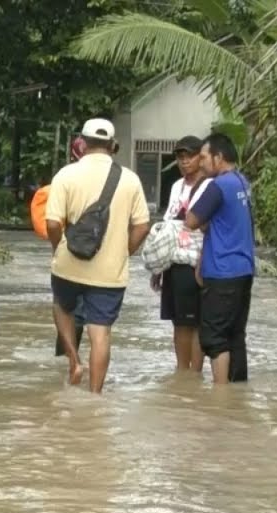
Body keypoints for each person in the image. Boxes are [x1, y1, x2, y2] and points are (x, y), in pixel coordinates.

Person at [44, 118, 151, 393]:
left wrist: (59, 249)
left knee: (61, 306)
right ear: (113, 145)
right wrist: (123, 252)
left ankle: (74, 360)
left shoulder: (65, 176)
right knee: (100, 332)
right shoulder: (130, 179)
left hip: (69, 266)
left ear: (82, 142)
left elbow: (53, 224)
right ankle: (95, 395)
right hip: (109, 273)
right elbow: (142, 225)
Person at [186, 132, 255, 384]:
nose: (200, 162)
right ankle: (237, 397)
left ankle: (221, 398)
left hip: (223, 273)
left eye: (204, 158)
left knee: (213, 338)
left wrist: (200, 181)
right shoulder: (242, 182)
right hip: (244, 270)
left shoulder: (218, 186)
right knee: (235, 335)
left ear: (218, 157)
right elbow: (222, 222)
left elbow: (191, 220)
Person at [151, 135, 210, 372]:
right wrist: (158, 266)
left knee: (195, 322)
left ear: (200, 157)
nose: (184, 162)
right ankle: (181, 371)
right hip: (173, 261)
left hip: (194, 261)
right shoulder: (176, 186)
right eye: (180, 157)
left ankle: (194, 373)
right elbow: (167, 227)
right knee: (178, 322)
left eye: (190, 156)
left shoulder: (209, 186)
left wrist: (203, 264)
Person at [31, 136, 88, 358]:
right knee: (77, 315)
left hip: (63, 257)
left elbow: (51, 224)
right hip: (78, 257)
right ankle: (70, 361)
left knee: (66, 310)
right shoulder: (94, 182)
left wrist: (57, 249)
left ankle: (65, 361)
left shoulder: (62, 181)